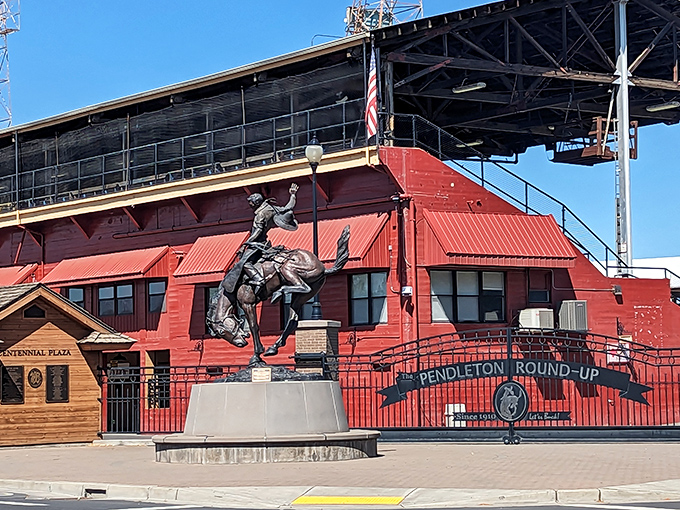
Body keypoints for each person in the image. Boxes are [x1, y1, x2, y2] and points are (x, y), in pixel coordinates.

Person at [221, 183, 299, 296]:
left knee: (244, 263)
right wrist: (292, 195)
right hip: (265, 243)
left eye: (251, 202)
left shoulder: (260, 215)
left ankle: (258, 280)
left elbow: (257, 232)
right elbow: (288, 207)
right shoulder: (271, 208)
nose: (250, 205)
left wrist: (245, 244)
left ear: (256, 203)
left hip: (257, 244)